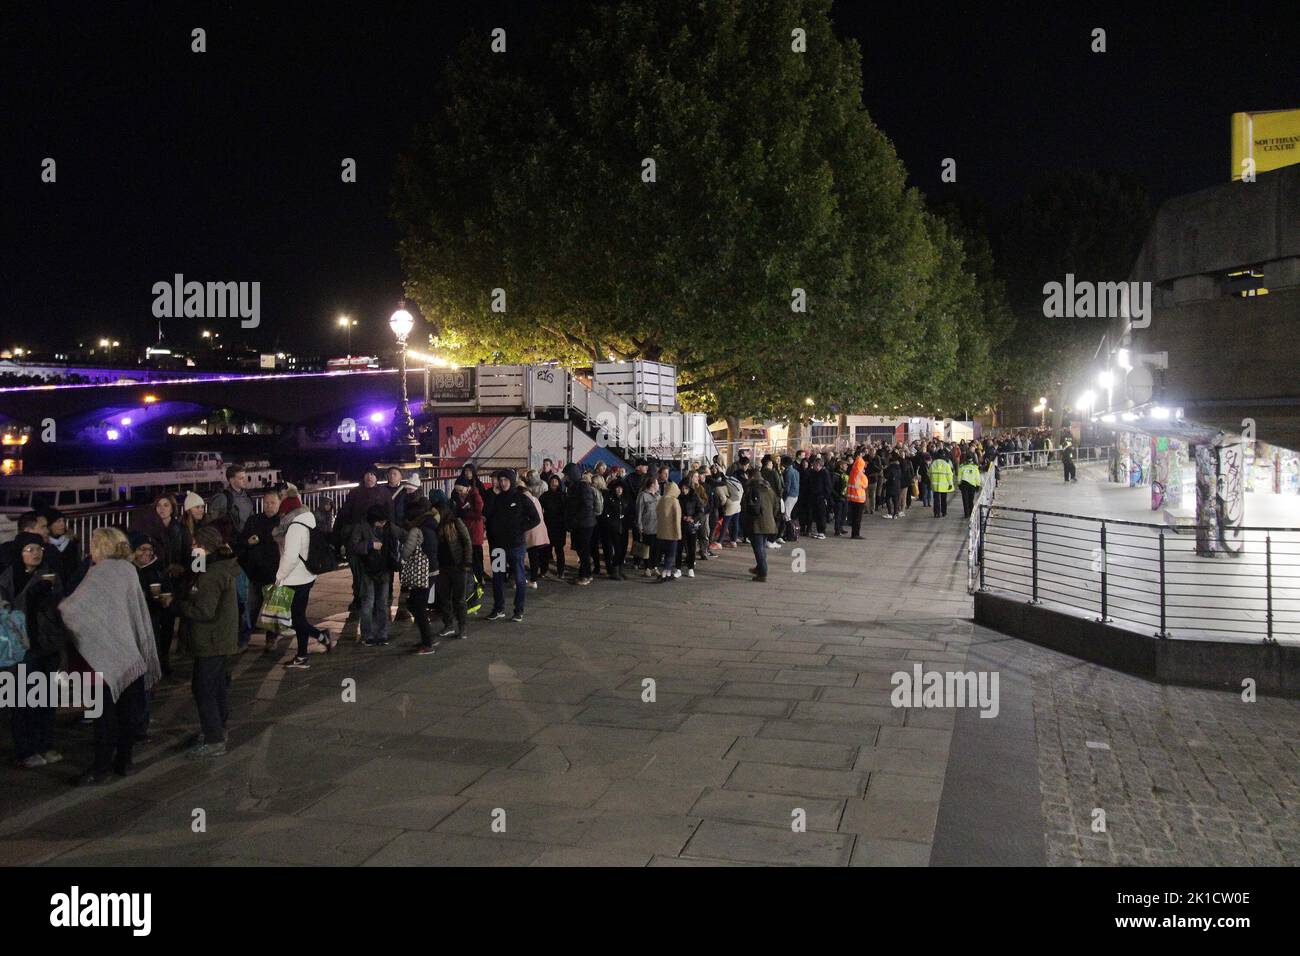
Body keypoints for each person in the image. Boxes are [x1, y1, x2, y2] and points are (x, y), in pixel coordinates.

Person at [57, 528, 162, 785]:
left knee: (104, 716)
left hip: (102, 657)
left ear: (101, 546)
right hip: (129, 653)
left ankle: (101, 767)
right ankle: (124, 762)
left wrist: (56, 607)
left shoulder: (98, 572)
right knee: (128, 714)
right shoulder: (129, 570)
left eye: (93, 544)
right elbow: (134, 613)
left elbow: (73, 610)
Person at [167, 525, 239, 758]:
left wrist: (176, 606)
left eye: (195, 544)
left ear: (205, 547)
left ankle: (214, 739)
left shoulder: (212, 574)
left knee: (203, 689)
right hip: (217, 638)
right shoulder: (215, 567)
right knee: (216, 686)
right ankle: (218, 729)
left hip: (211, 639)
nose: (192, 547)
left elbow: (204, 611)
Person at [1, 531, 68, 768]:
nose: (36, 553)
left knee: (47, 699)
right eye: (30, 549)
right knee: (23, 700)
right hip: (22, 646)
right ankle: (26, 749)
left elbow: (61, 608)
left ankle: (45, 744)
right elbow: (8, 613)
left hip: (47, 644)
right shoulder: (8, 578)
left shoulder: (49, 575)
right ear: (19, 553)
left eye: (39, 549)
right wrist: (31, 594)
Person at [274, 491, 333, 668]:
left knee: (296, 620)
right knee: (300, 618)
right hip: (307, 575)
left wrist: (279, 577)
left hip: (295, 579)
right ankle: (302, 656)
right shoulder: (308, 520)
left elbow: (290, 557)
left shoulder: (294, 527)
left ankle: (321, 637)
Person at [482, 469, 540, 623]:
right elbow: (487, 514)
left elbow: (535, 518)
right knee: (498, 577)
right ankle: (498, 608)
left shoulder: (521, 498)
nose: (502, 483)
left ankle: (518, 610)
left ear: (512, 480)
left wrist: (521, 528)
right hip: (499, 546)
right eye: (500, 480)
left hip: (515, 545)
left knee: (519, 578)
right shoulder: (496, 498)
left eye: (505, 480)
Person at [338, 469, 392, 612]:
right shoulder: (355, 493)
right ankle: (359, 598)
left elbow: (389, 514)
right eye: (367, 473)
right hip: (356, 537)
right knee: (357, 572)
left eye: (373, 474)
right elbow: (344, 514)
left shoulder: (384, 493)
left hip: (375, 537)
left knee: (374, 569)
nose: (370, 476)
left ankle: (374, 599)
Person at [348, 504, 400, 646]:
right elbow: (352, 547)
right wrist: (370, 545)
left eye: (384, 521)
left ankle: (383, 634)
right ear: (373, 519)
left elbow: (402, 534)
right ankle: (367, 635)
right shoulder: (361, 526)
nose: (383, 524)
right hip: (367, 570)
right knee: (368, 603)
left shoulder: (388, 526)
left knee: (382, 604)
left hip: (384, 570)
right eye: (380, 521)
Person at [240, 485, 283, 651]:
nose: (269, 506)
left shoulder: (283, 522)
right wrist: (248, 542)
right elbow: (242, 541)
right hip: (255, 573)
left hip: (276, 573)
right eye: (266, 503)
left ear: (279, 503)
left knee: (273, 610)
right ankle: (244, 638)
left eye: (273, 503)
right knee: (250, 607)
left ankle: (271, 639)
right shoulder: (254, 520)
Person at [431, 499, 472, 645]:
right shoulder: (434, 526)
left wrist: (467, 563)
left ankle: (462, 627)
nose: (433, 514)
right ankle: (448, 624)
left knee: (459, 599)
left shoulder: (456, 523)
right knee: (444, 598)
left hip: (458, 566)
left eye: (435, 511)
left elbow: (467, 542)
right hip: (442, 567)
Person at [740, 466, 780, 582]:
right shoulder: (768, 488)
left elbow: (745, 507)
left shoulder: (751, 489)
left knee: (758, 548)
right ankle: (760, 568)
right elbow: (776, 506)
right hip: (769, 522)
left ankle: (762, 572)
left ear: (752, 477)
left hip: (756, 523)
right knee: (761, 547)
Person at [206, 464, 254, 534]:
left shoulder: (248, 497)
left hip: (246, 538)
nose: (245, 480)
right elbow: (211, 522)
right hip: (229, 540)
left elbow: (251, 520)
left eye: (244, 477)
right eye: (241, 478)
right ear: (231, 480)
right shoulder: (222, 498)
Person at [521, 478, 550, 588]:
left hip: (529, 533)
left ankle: (522, 579)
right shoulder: (535, 499)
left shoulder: (523, 501)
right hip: (538, 533)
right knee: (534, 558)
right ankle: (534, 579)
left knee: (520, 557)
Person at [41, 509, 82, 585]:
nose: (62, 524)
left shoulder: (72, 542)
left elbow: (78, 563)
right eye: (58, 521)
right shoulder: (44, 545)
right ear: (50, 525)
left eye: (63, 521)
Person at [599, 479, 629, 580]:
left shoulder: (625, 499)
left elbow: (628, 511)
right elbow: (605, 512)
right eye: (617, 488)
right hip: (613, 528)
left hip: (623, 527)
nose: (619, 490)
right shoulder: (609, 498)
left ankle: (620, 569)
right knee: (617, 549)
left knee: (623, 549)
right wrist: (610, 522)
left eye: (621, 488)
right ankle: (615, 570)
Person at [539, 475, 566, 580]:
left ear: (559, 483)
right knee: (546, 550)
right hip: (548, 525)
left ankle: (561, 572)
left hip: (560, 526)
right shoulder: (545, 496)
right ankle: (543, 570)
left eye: (556, 481)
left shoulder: (563, 495)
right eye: (552, 481)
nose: (554, 483)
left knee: (559, 550)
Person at [655, 478, 682, 582]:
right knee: (671, 554)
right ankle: (666, 573)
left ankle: (666, 572)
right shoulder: (675, 501)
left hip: (661, 532)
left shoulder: (661, 499)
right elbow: (677, 519)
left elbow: (657, 513)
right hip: (672, 532)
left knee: (665, 552)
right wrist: (678, 533)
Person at [636, 476, 660, 578]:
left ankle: (655, 567)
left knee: (656, 549)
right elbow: (639, 512)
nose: (658, 485)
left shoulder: (659, 496)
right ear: (652, 485)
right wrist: (640, 526)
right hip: (647, 527)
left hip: (658, 527)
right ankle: (647, 568)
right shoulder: (643, 496)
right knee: (647, 549)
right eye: (657, 483)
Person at [846, 453, 868, 538]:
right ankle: (856, 534)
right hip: (859, 498)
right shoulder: (860, 474)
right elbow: (865, 484)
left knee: (854, 517)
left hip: (852, 498)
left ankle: (854, 533)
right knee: (858, 519)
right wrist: (864, 475)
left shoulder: (852, 472)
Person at [929, 451, 954, 517]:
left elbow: (929, 474)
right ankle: (944, 512)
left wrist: (931, 481)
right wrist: (950, 484)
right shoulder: (946, 464)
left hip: (935, 485)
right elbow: (949, 475)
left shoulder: (933, 464)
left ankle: (936, 513)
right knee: (943, 499)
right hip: (944, 485)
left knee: (936, 500)